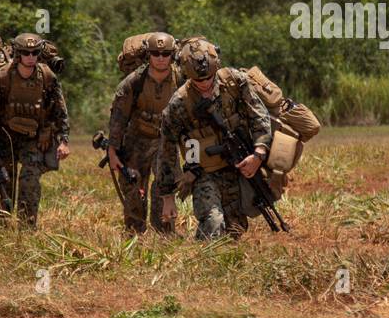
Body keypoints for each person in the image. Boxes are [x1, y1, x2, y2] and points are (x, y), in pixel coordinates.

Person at [155, 38, 273, 240]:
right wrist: (167, 197)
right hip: (203, 173)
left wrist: (259, 154)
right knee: (213, 223)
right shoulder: (178, 104)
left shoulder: (235, 81)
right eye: (198, 81)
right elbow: (166, 150)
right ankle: (200, 264)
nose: (205, 84)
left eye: (209, 77)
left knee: (235, 230)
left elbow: (259, 116)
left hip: (237, 167)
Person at [0, 32, 70, 227]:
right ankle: (1, 226)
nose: (30, 57)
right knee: (4, 180)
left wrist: (64, 140)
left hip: (33, 137)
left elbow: (60, 110)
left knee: (30, 179)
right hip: (4, 135)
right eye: (25, 52)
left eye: (34, 52)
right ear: (18, 54)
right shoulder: (3, 77)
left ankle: (27, 226)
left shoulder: (47, 76)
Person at [106, 32, 181, 234]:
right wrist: (112, 152)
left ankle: (164, 234)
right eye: (155, 53)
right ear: (148, 54)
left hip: (165, 142)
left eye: (165, 53)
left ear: (172, 55)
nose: (160, 58)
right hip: (136, 140)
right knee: (132, 189)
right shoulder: (133, 82)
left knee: (164, 187)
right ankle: (134, 234)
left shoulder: (181, 80)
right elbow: (118, 119)